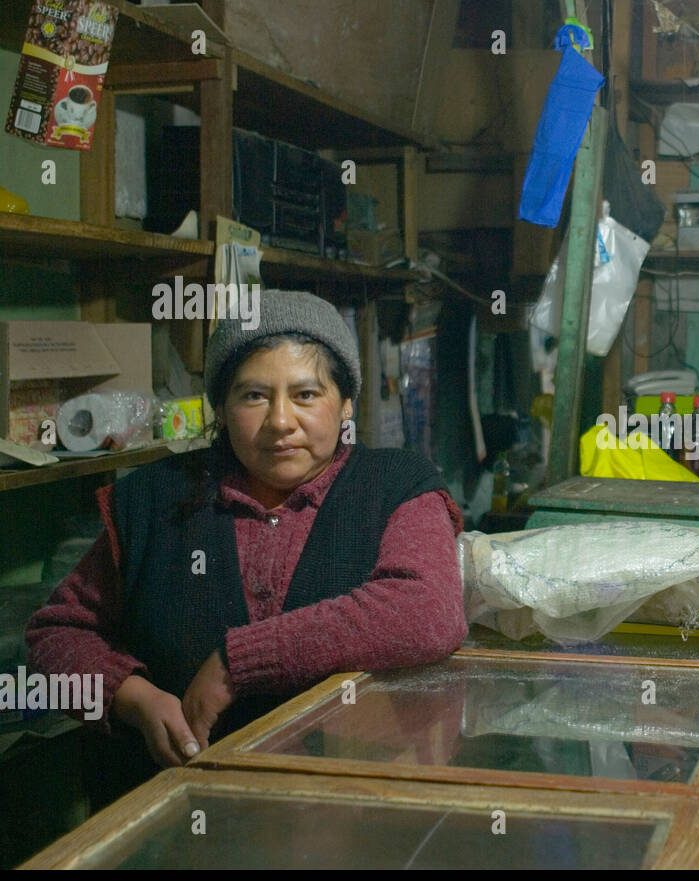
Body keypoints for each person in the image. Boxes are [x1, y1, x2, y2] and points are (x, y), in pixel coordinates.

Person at [26, 290, 467, 807]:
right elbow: (56, 633)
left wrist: (239, 661)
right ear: (221, 407)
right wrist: (131, 696)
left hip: (348, 813)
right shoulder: (152, 500)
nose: (280, 421)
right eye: (254, 395)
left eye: (306, 395)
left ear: (345, 403)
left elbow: (428, 610)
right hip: (173, 817)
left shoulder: (397, 486)